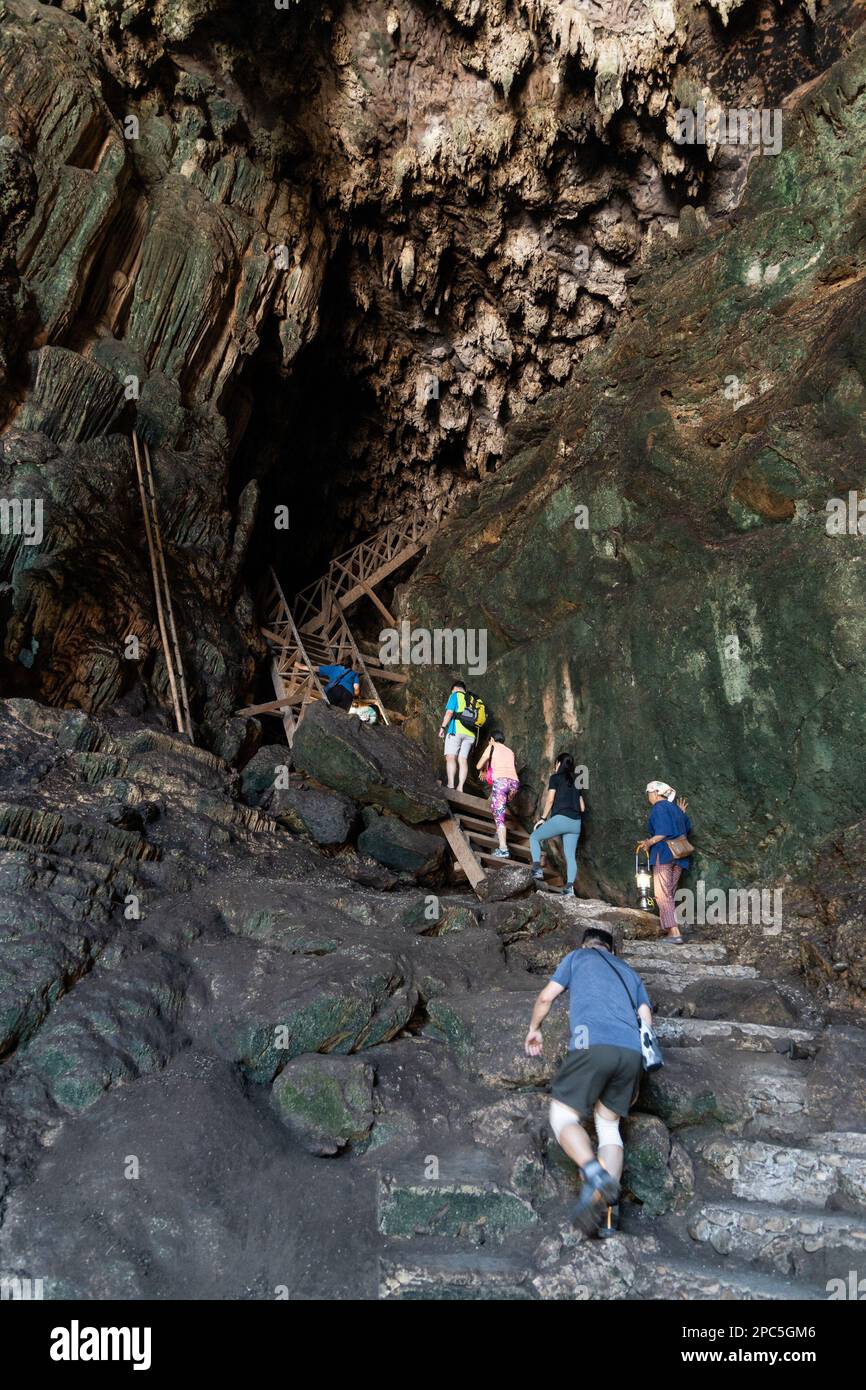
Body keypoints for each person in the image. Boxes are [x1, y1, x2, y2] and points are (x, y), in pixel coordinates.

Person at [524, 925, 653, 1236]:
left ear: (586, 944)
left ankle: (594, 1172)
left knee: (562, 1116)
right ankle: (608, 1213)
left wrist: (534, 1028)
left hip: (591, 1046)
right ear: (612, 950)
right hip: (632, 1053)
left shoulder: (578, 957)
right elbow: (646, 1017)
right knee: (609, 1128)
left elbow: (546, 997)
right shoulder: (628, 972)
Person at [637, 781, 692, 944]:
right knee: (669, 893)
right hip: (680, 856)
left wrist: (648, 843)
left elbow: (662, 832)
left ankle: (675, 933)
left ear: (654, 793)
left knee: (662, 894)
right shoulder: (676, 809)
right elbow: (686, 828)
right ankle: (669, 929)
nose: (648, 797)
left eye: (648, 793)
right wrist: (680, 813)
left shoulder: (659, 808)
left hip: (664, 854)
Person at [529, 751, 586, 896]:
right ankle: (569, 888)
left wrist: (542, 818)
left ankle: (536, 870)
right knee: (570, 855)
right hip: (576, 823)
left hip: (561, 819)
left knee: (534, 837)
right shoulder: (577, 780)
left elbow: (550, 800)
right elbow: (582, 807)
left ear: (558, 764)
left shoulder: (556, 778)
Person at [476, 730, 519, 858]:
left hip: (501, 782)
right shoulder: (510, 751)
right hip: (514, 784)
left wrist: (482, 767)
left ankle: (503, 848)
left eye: (490, 740)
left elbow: (478, 766)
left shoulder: (492, 746)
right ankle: (499, 833)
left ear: (492, 739)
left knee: (499, 818)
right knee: (499, 809)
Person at [437, 680, 475, 793]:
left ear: (455, 689)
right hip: (471, 734)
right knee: (463, 760)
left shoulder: (455, 695)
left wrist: (443, 727)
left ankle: (451, 785)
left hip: (456, 731)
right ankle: (460, 788)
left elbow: (449, 713)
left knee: (451, 757)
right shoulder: (473, 699)